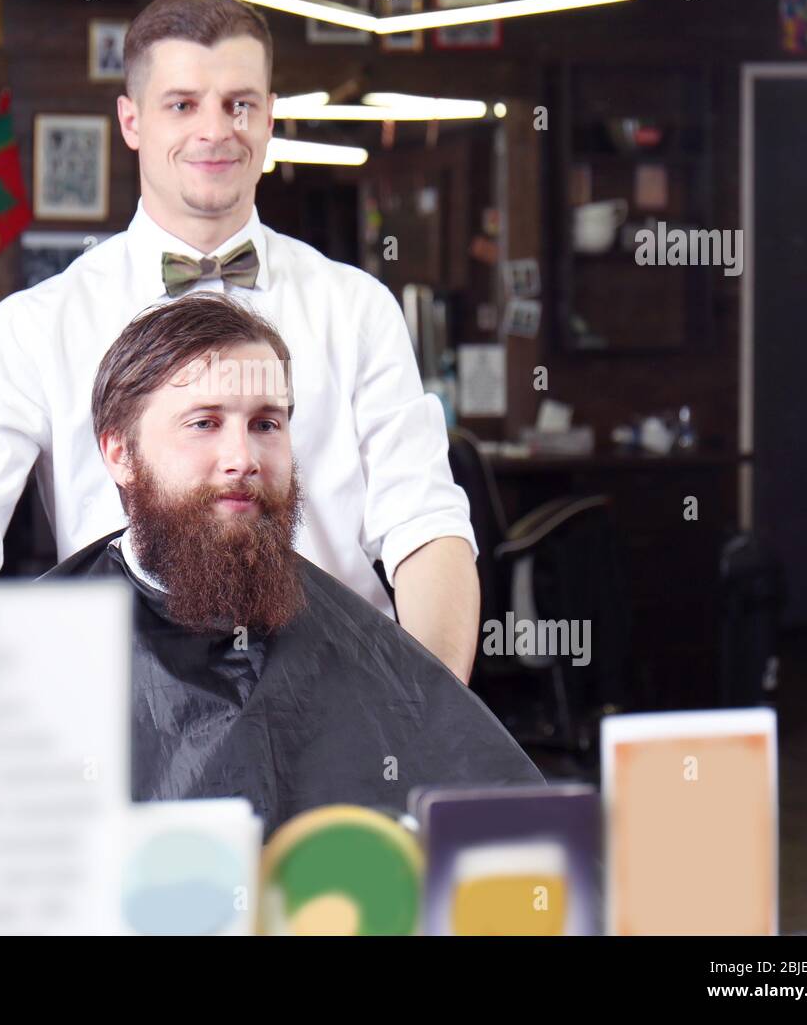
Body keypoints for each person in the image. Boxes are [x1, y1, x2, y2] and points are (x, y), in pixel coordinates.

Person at [0, 0, 482, 681]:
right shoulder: (35, 327)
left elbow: (427, 527)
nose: (216, 130)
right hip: (128, 713)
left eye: (240, 103)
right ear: (131, 120)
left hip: (334, 700)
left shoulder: (360, 310)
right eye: (183, 104)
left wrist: (435, 715)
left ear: (270, 117)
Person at [43, 293, 543, 836]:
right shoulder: (41, 648)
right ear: (120, 454)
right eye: (204, 423)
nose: (243, 459)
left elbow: (511, 851)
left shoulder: (357, 646)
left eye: (265, 425)